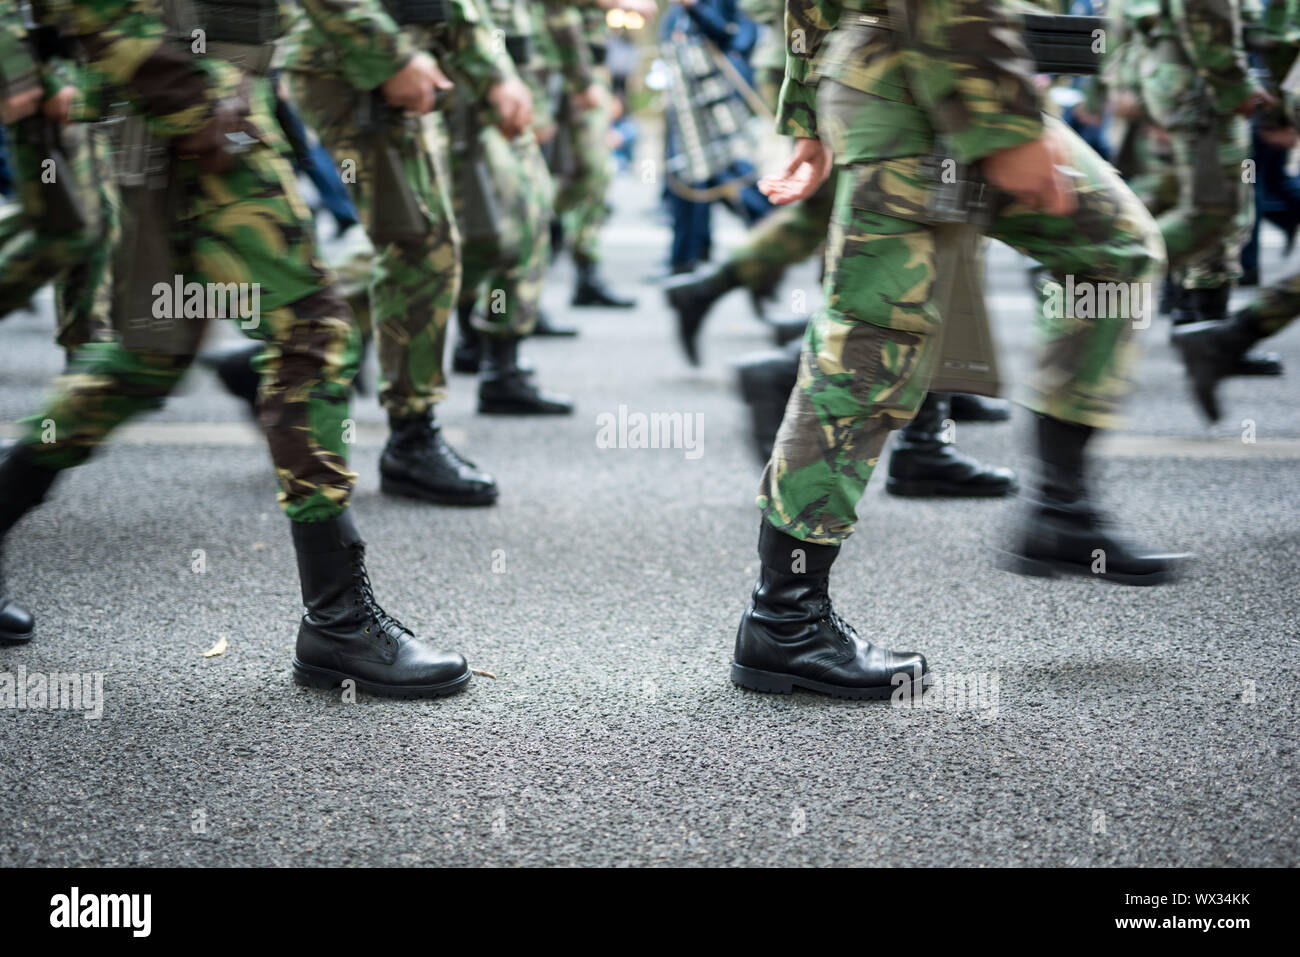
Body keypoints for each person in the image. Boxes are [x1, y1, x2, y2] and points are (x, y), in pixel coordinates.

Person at [1, 0, 472, 700]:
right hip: (189, 98)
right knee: (310, 329)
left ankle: (336, 620)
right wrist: (193, 97)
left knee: (143, 360)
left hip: (179, 99)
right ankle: (339, 619)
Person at [730, 0, 1190, 700]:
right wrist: (1002, 122)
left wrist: (807, 106)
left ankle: (1062, 508)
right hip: (918, 85)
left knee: (1116, 251)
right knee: (871, 348)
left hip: (929, 74)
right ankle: (785, 619)